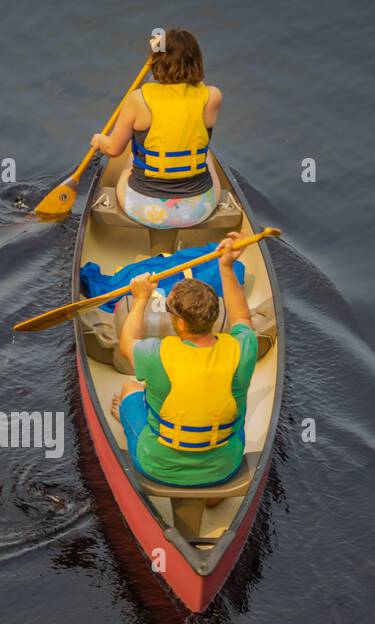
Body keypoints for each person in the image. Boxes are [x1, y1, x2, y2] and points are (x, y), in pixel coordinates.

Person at [111, 234, 256, 487]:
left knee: (129, 389)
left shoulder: (156, 353)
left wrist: (141, 298)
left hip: (156, 466)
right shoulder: (243, 348)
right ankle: (215, 492)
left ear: (179, 322)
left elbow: (126, 343)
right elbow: (242, 317)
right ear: (214, 315)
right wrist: (226, 266)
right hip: (225, 467)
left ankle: (129, 416)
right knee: (237, 411)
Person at [90, 29, 223, 229]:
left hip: (145, 209)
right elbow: (185, 98)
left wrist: (99, 140)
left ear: (156, 62)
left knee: (128, 159)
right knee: (207, 157)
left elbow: (113, 150)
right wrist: (166, 53)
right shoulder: (212, 96)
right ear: (197, 61)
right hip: (198, 209)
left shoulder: (138, 99)